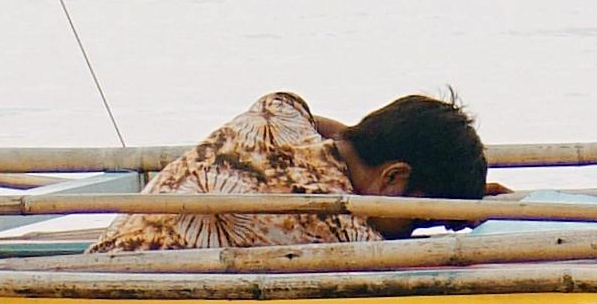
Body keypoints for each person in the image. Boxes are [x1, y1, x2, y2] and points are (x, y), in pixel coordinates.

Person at [98, 89, 490, 257]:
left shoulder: (279, 114)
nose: (408, 230)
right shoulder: (336, 228)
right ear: (391, 178)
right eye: (417, 217)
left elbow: (327, 127)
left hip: (104, 256)